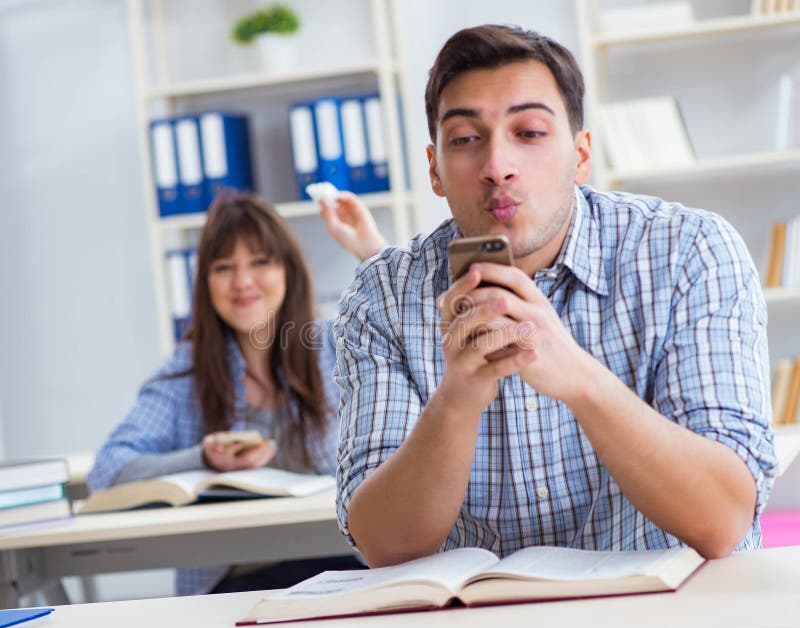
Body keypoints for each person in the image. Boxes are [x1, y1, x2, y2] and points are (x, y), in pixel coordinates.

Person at [334, 24, 777, 568]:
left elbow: (724, 521)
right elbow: (385, 544)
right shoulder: (383, 295)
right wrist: (457, 400)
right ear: (435, 170)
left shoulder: (690, 251)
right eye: (466, 139)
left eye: (530, 132)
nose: (498, 166)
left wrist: (578, 377)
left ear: (582, 154)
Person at [88, 192, 383, 595]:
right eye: (224, 267)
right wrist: (204, 459)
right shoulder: (188, 370)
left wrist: (369, 250)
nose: (242, 282)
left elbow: (415, 337)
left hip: (347, 570)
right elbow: (107, 472)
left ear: (288, 270)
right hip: (238, 584)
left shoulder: (334, 345)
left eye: (260, 262)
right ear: (206, 284)